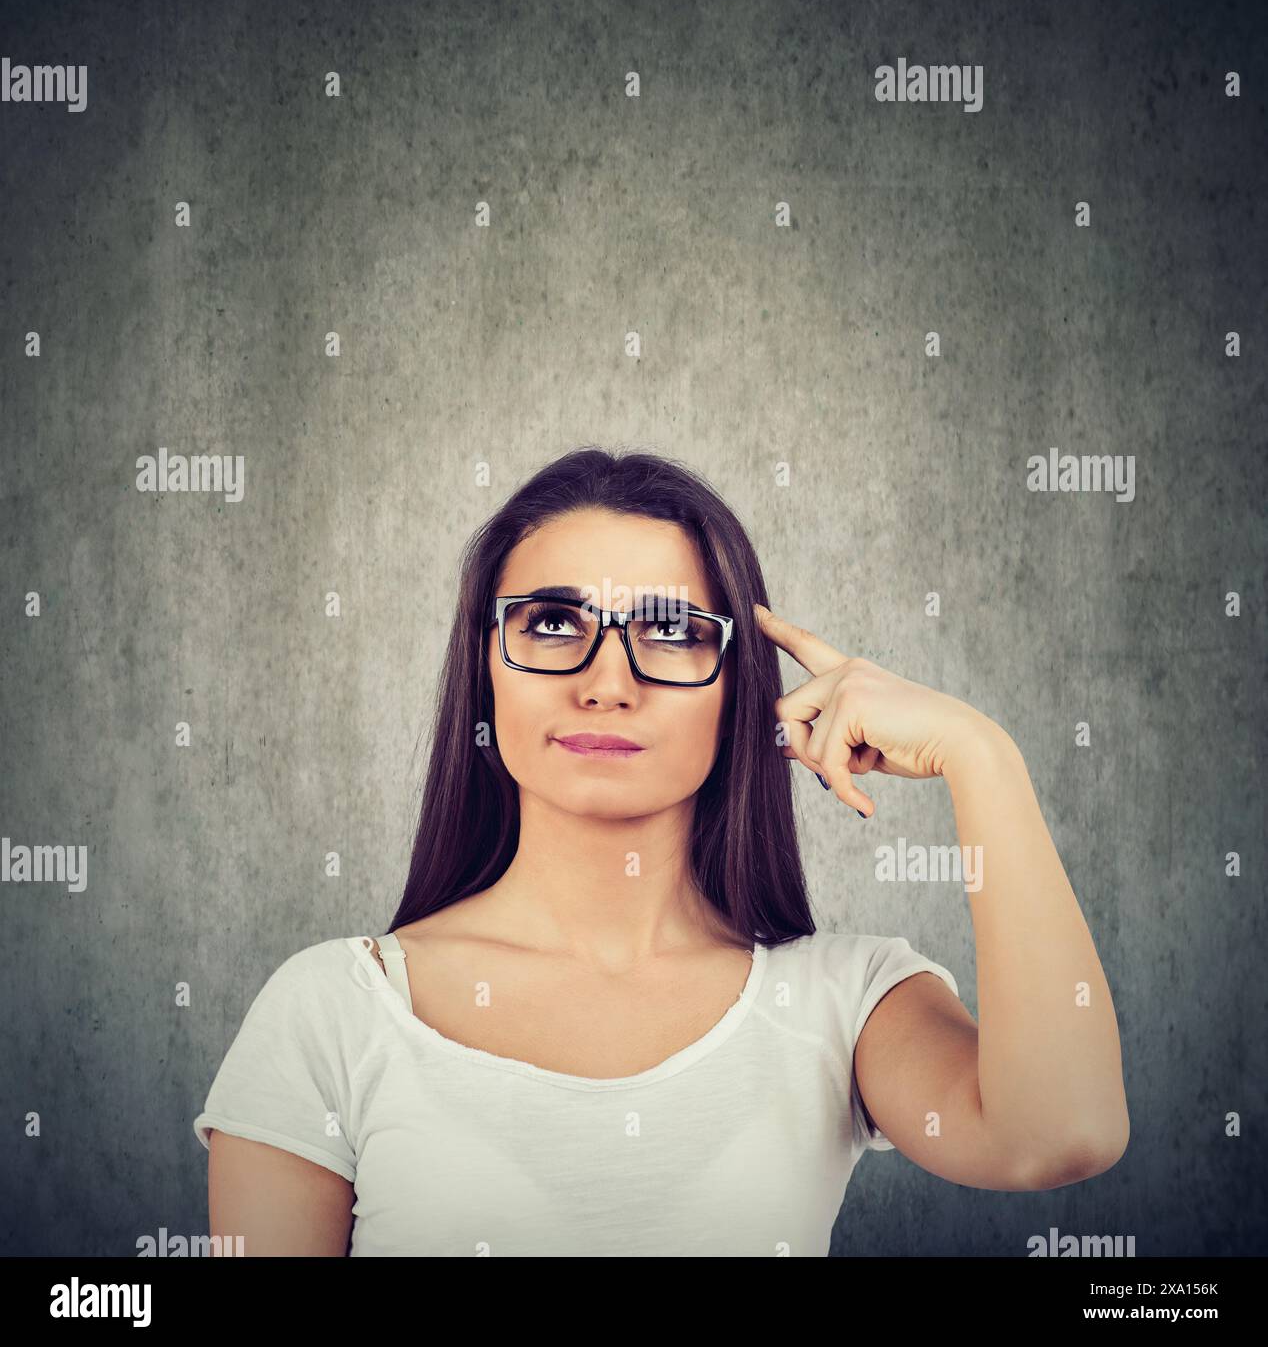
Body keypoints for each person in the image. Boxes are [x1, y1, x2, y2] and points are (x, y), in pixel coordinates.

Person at [193, 446, 1129, 1256]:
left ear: (740, 688)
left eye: (671, 632)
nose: (606, 684)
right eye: (552, 623)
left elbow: (1060, 1135)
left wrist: (983, 755)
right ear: (486, 668)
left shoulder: (846, 1006)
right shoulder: (330, 1014)